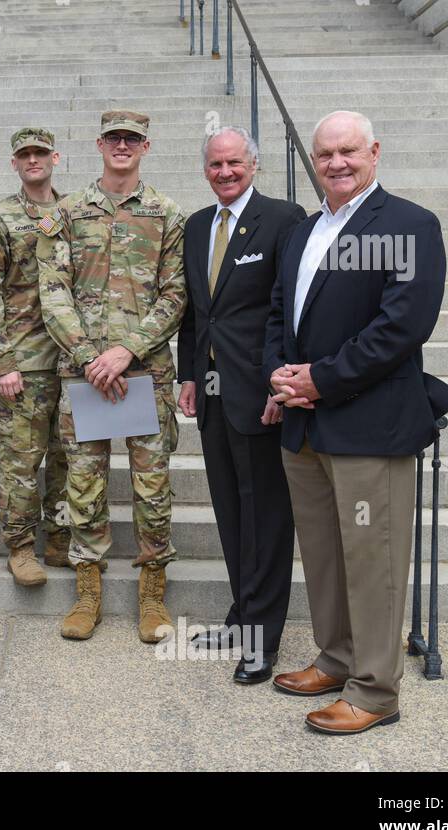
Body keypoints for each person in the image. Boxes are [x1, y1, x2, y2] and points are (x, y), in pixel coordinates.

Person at [265, 110, 448, 734]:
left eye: (348, 151)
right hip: (306, 428)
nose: (336, 163)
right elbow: (277, 314)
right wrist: (278, 374)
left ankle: (375, 691)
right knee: (323, 554)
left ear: (374, 152)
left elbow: (401, 325)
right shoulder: (304, 231)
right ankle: (336, 658)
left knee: (372, 556)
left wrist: (322, 377)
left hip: (368, 424)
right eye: (325, 155)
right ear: (313, 161)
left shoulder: (408, 224)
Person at [36, 110, 187, 642]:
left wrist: (126, 351)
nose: (123, 146)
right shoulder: (68, 211)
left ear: (146, 145)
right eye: (115, 138)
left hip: (145, 374)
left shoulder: (167, 214)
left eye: (133, 139)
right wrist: (86, 356)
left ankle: (151, 593)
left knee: (152, 484)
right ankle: (88, 590)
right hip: (84, 376)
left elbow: (176, 295)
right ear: (99, 143)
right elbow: (51, 291)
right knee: (84, 482)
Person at [176, 127, 305, 683]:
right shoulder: (199, 226)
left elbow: (292, 307)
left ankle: (263, 638)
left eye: (233, 163)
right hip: (211, 395)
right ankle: (241, 613)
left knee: (266, 517)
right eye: (215, 165)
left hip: (260, 395)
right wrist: (187, 375)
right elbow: (195, 314)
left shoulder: (284, 219)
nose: (224, 173)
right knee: (230, 513)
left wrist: (281, 385)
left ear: (253, 165)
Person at [0, 127, 69, 587]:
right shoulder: (0, 218)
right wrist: (1, 362)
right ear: (14, 163)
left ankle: (63, 537)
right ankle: (21, 545)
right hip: (24, 360)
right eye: (24, 154)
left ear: (55, 157)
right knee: (22, 460)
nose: (33, 160)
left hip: (73, 360)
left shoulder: (75, 212)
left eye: (40, 153)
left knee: (70, 457)